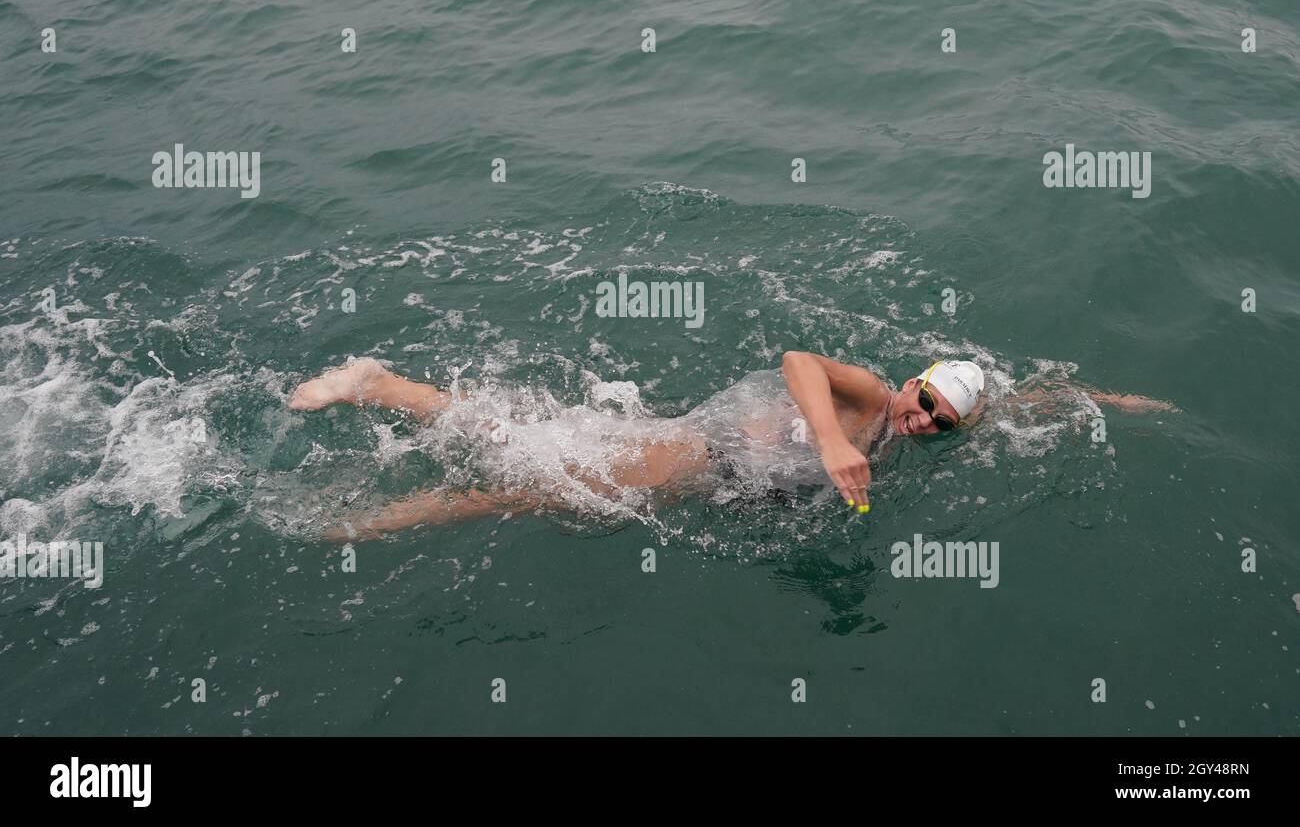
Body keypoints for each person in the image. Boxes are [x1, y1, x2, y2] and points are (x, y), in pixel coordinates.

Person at [288, 353, 1173, 539]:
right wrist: (831, 440)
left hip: (729, 484)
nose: (925, 420)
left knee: (527, 457)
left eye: (943, 420)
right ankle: (377, 411)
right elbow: (795, 361)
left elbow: (1029, 395)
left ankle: (391, 439)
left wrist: (1110, 397)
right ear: (910, 382)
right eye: (927, 400)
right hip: (701, 456)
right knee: (524, 477)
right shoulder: (870, 391)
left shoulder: (931, 423)